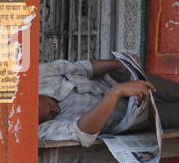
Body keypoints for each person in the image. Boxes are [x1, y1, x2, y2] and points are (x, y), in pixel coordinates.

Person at [38, 54, 179, 146]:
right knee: (174, 115)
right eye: (51, 114)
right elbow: (82, 133)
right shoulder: (41, 131)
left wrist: (118, 63)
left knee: (173, 91)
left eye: (49, 104)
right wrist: (115, 93)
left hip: (118, 81)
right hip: (131, 117)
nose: (55, 110)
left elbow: (84, 68)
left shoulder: (39, 76)